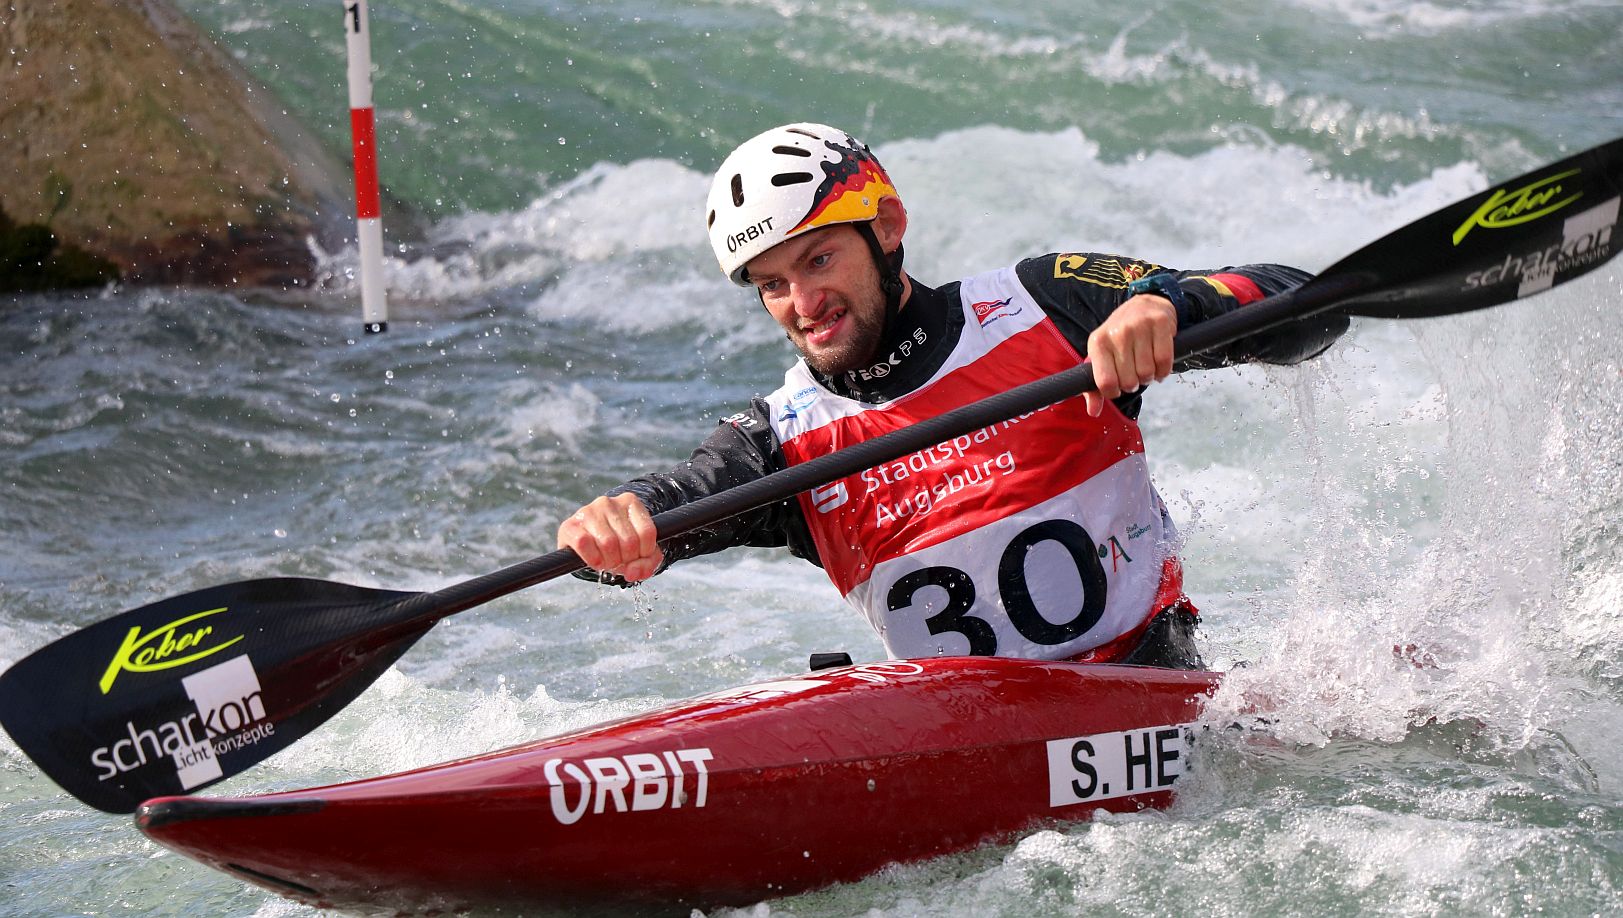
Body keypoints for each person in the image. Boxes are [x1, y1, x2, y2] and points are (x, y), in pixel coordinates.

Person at [557, 123, 1346, 670]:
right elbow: (666, 508)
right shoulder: (782, 442)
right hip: (972, 750)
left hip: (1155, 692)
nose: (803, 302)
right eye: (772, 285)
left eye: (820, 258)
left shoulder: (1046, 302)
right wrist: (612, 524)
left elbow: (1307, 304)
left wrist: (1172, 308)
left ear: (887, 226)